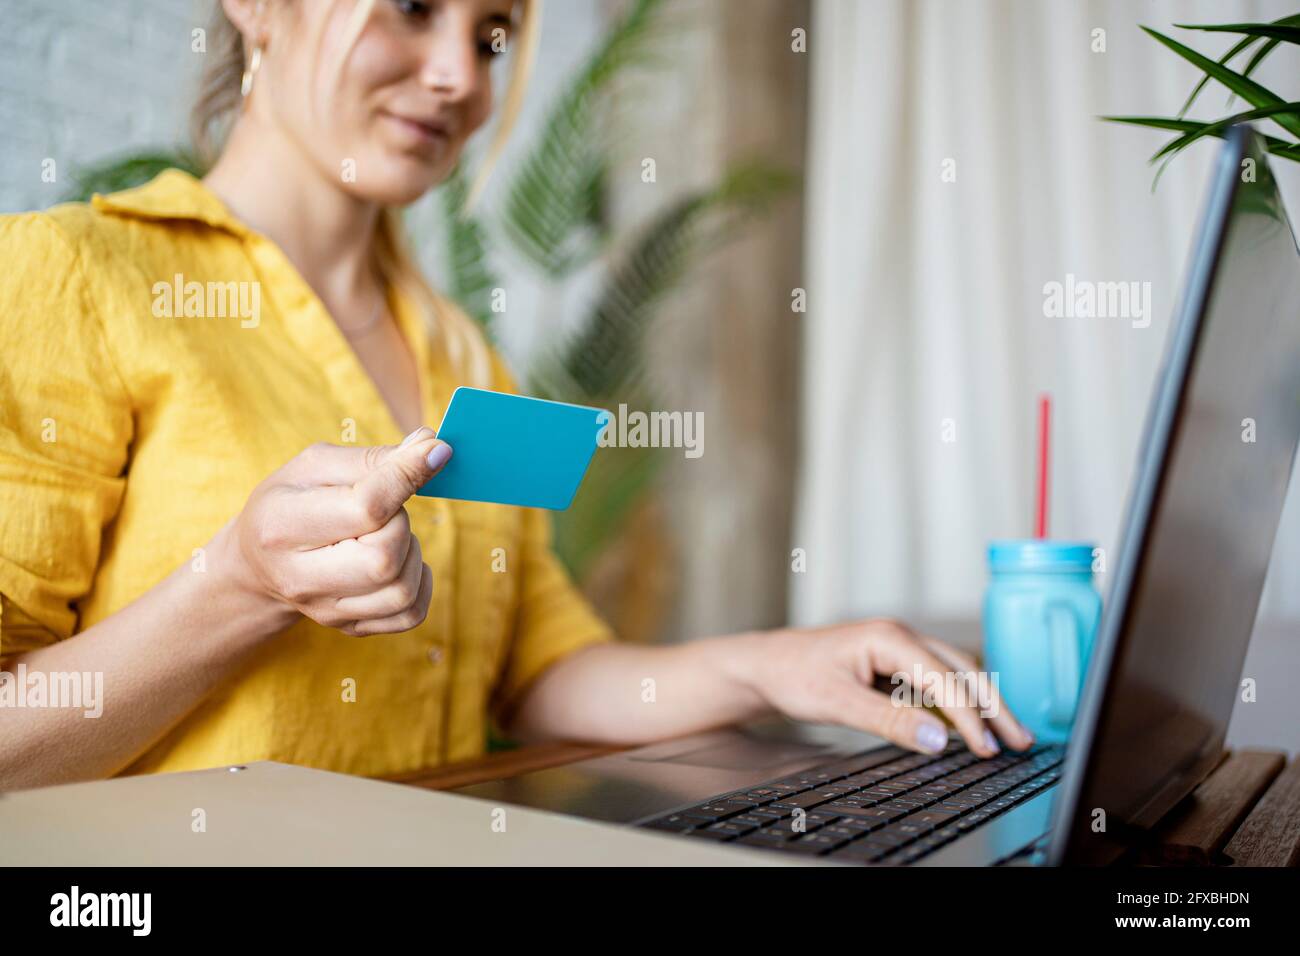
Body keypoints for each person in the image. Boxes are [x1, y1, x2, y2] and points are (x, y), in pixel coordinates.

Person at [0, 0, 1031, 791]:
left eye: (492, 34)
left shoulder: (468, 358)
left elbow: (541, 674)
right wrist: (238, 585)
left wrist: (772, 666)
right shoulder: (71, 277)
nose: (458, 74)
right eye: (412, 4)